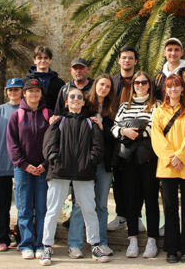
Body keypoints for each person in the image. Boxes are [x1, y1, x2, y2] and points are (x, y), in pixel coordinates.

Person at [39, 87, 110, 266]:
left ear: (83, 102)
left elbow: (98, 146)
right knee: (53, 210)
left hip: (83, 173)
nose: (76, 99)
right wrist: (54, 158)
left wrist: (91, 160)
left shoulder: (90, 123)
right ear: (66, 101)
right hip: (59, 172)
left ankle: (94, 245)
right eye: (72, 97)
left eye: (79, 97)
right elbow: (49, 144)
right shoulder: (58, 121)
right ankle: (47, 246)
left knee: (89, 210)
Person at [67, 74, 118, 257]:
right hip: (85, 162)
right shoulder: (84, 105)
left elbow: (114, 137)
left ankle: (101, 242)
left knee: (101, 204)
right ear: (95, 85)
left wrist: (104, 130)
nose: (103, 88)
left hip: (104, 163)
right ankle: (75, 243)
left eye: (107, 86)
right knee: (80, 204)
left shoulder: (113, 109)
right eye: (101, 84)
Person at [151, 74, 185, 263]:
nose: (173, 90)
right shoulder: (158, 112)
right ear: (165, 90)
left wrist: (181, 156)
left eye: (176, 86)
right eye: (169, 87)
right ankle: (171, 248)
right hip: (167, 166)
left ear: (182, 89)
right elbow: (157, 138)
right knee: (170, 208)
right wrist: (171, 157)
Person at [112, 70, 160, 258]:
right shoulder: (124, 105)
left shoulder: (156, 105)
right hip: (128, 160)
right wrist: (125, 131)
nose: (140, 85)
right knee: (131, 199)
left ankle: (152, 240)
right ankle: (132, 239)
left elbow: (155, 127)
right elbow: (115, 127)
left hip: (148, 158)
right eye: (136, 83)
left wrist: (134, 130)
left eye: (143, 82)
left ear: (149, 84)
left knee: (151, 199)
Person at [6, 78, 52, 259]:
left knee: (42, 208)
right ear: (24, 94)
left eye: (37, 91)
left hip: (42, 169)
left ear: (41, 94)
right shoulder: (16, 116)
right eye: (30, 91)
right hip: (23, 170)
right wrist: (25, 165)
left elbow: (52, 142)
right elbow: (12, 144)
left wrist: (44, 164)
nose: (34, 94)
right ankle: (26, 243)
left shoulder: (48, 114)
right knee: (24, 208)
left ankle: (40, 243)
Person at [0, 77, 24, 251]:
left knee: (23, 204)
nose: (13, 92)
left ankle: (22, 237)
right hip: (2, 164)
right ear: (6, 92)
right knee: (2, 204)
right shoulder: (0, 110)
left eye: (17, 89)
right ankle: (2, 238)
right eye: (11, 90)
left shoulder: (26, 110)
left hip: (20, 165)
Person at [108, 46, 139, 231]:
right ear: (119, 60)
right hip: (116, 135)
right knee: (118, 178)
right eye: (124, 58)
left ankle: (136, 216)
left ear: (135, 61)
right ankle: (121, 215)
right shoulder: (112, 82)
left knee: (136, 179)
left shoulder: (142, 81)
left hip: (137, 136)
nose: (127, 61)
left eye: (130, 58)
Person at [154, 37, 185, 109]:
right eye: (169, 50)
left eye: (176, 50)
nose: (173, 53)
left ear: (182, 53)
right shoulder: (158, 79)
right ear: (164, 53)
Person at [26, 46, 66, 112]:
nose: (43, 60)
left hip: (52, 119)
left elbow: (61, 104)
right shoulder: (25, 81)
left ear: (50, 60)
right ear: (34, 61)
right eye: (39, 58)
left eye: (46, 58)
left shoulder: (59, 83)